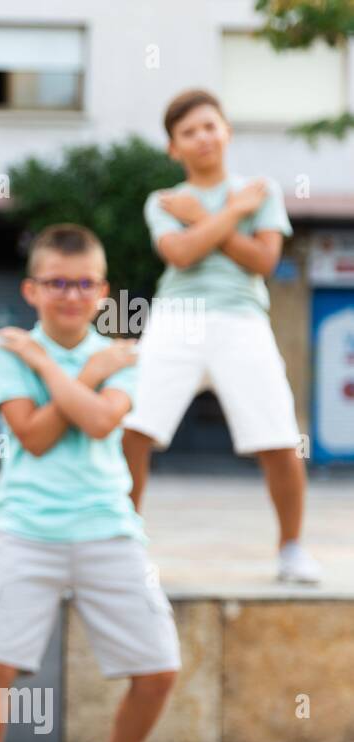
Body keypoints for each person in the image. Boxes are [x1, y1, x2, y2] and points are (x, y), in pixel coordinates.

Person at [0, 224, 180, 742]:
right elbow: (32, 435)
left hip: (110, 526)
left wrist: (59, 371)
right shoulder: (10, 349)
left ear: (103, 291)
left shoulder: (121, 357)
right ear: (32, 289)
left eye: (83, 283)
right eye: (57, 282)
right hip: (27, 525)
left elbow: (105, 423)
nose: (70, 294)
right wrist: (80, 374)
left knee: (159, 667)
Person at [123, 88, 319, 583]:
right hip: (175, 317)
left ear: (226, 131)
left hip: (243, 319)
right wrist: (232, 215)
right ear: (174, 147)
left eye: (210, 126)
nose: (202, 137)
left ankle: (292, 549)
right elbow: (181, 254)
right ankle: (122, 544)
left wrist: (205, 220)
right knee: (131, 427)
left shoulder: (261, 189)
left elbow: (264, 260)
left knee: (279, 436)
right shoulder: (164, 201)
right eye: (188, 132)